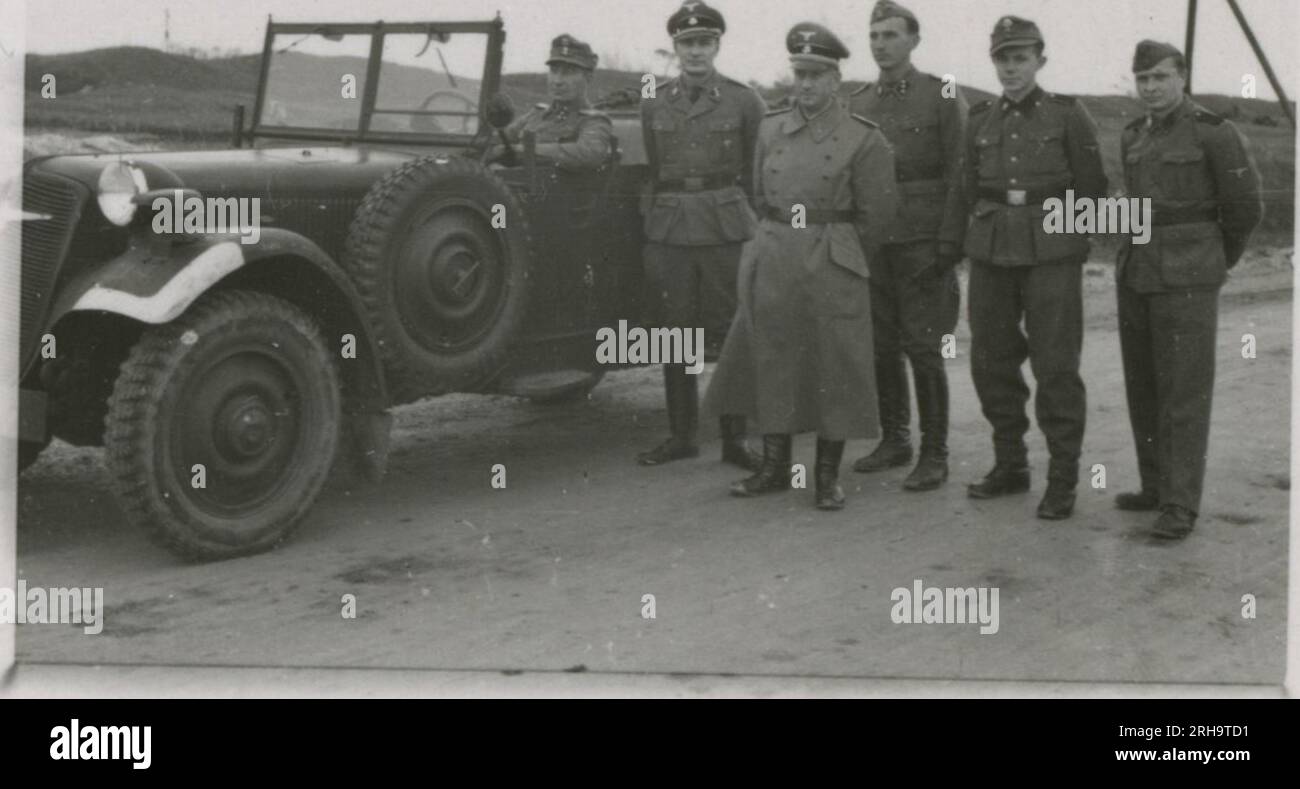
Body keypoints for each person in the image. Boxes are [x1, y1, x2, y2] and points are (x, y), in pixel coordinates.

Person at [703, 22, 899, 510]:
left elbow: (879, 217)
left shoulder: (863, 138)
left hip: (832, 256)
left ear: (836, 78)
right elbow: (758, 193)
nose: (806, 84)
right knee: (773, 356)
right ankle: (774, 466)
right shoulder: (770, 127)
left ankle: (827, 476)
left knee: (835, 362)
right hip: (774, 254)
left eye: (817, 74)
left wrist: (838, 249)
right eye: (800, 73)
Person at [1114, 40, 1263, 539]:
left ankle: (1180, 504)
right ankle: (1155, 485)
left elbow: (1244, 209)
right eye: (1143, 79)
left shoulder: (1214, 133)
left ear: (1182, 76)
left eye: (1160, 77)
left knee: (1183, 390)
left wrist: (1214, 262)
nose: (1151, 87)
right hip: (1137, 270)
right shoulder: (1133, 133)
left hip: (1188, 275)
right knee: (1144, 385)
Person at [962, 15, 1108, 520]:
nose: (1011, 67)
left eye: (1020, 57)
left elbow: (1092, 187)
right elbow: (966, 188)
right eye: (1003, 58)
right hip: (990, 249)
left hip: (1052, 253)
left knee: (1055, 366)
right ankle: (1011, 465)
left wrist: (1076, 245)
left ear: (1039, 60)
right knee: (990, 360)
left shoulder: (1068, 115)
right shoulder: (979, 118)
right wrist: (955, 245)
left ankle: (1063, 478)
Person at [636, 1, 767, 470]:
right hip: (670, 228)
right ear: (675, 47)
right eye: (687, 43)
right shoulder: (654, 99)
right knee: (675, 335)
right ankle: (681, 436)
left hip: (725, 226)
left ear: (716, 45)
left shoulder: (744, 100)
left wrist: (754, 227)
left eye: (704, 42)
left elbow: (758, 171)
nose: (695, 51)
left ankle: (736, 439)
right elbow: (654, 167)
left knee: (733, 331)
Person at [847, 0, 966, 491]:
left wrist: (950, 243)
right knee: (880, 346)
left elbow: (961, 172)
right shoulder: (858, 102)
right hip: (874, 241)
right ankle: (896, 438)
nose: (881, 44)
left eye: (891, 35)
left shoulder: (941, 94)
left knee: (924, 348)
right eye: (874, 35)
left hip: (924, 242)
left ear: (913, 40)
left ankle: (935, 452)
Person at [492, 34, 614, 172]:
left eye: (568, 72)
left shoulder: (594, 121)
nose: (558, 81)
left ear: (588, 77)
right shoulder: (537, 114)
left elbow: (589, 153)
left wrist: (520, 151)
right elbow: (500, 139)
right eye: (554, 71)